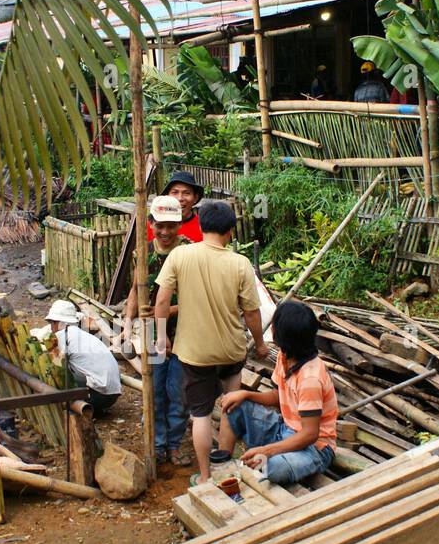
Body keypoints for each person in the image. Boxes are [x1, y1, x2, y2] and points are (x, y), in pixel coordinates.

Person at [154, 200, 268, 483]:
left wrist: (160, 337)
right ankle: (225, 463)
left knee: (201, 415)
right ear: (230, 231)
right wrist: (260, 343)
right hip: (231, 350)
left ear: (200, 226)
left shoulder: (180, 256)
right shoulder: (240, 263)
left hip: (195, 354)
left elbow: (162, 300)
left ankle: (205, 476)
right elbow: (252, 312)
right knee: (229, 404)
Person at [215, 301, 337, 485]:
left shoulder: (310, 378)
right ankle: (225, 471)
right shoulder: (285, 356)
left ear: (279, 335)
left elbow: (310, 434)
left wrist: (268, 450)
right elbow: (278, 397)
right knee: (232, 407)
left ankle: (253, 470)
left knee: (271, 467)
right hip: (285, 430)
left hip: (314, 448)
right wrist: (245, 395)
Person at [123, 195, 191, 465]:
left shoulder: (188, 251)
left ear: (180, 224)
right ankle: (158, 445)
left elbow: (194, 299)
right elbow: (134, 290)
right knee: (155, 391)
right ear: (150, 223)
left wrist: (167, 311)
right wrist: (128, 325)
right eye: (159, 225)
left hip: (184, 333)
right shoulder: (142, 253)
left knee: (178, 392)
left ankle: (174, 446)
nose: (165, 232)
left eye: (171, 226)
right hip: (153, 333)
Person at [46, 299, 121, 414]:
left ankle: (78, 407)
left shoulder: (62, 336)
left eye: (51, 323)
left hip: (98, 396)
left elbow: (55, 365)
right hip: (113, 395)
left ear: (56, 322)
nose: (51, 327)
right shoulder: (84, 335)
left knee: (54, 373)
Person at [148, 171, 204, 243]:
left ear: (195, 198)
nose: (180, 198)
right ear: (167, 195)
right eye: (175, 192)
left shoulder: (204, 228)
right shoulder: (152, 225)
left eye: (186, 193)